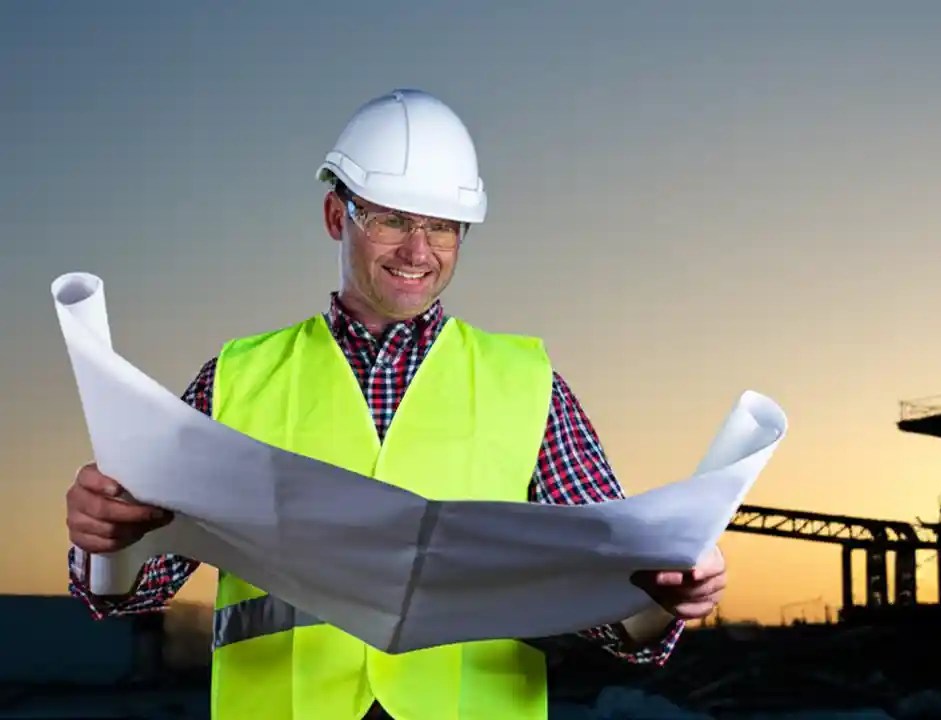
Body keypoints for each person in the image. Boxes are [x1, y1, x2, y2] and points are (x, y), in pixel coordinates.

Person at [63, 88, 728, 720]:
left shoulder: (528, 384)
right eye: (392, 220)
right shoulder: (237, 378)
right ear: (337, 217)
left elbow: (624, 615)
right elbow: (133, 588)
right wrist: (104, 542)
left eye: (442, 227)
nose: (418, 251)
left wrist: (668, 593)